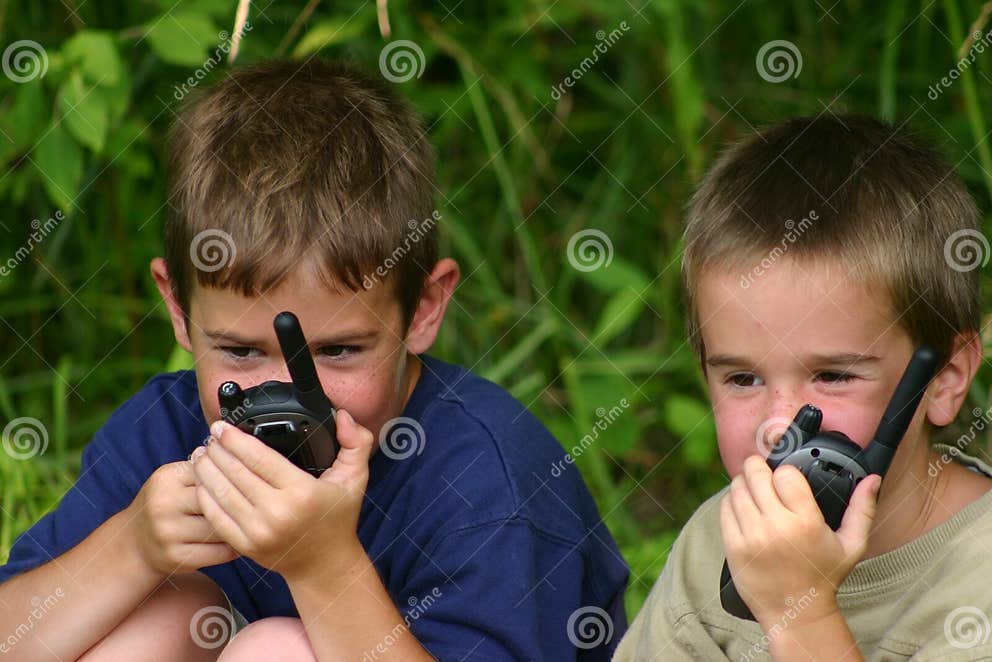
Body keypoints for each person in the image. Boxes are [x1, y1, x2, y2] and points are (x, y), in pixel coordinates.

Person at [0, 59, 628, 661]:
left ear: (423, 309)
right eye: (240, 351)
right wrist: (133, 546)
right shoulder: (163, 434)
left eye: (337, 351)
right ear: (179, 309)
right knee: (168, 612)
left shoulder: (489, 484)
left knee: (275, 652)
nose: (285, 395)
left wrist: (324, 568)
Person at [615, 114, 992, 660]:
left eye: (833, 376)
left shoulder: (979, 578)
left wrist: (802, 611)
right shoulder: (719, 542)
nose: (779, 426)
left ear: (944, 380)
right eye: (742, 379)